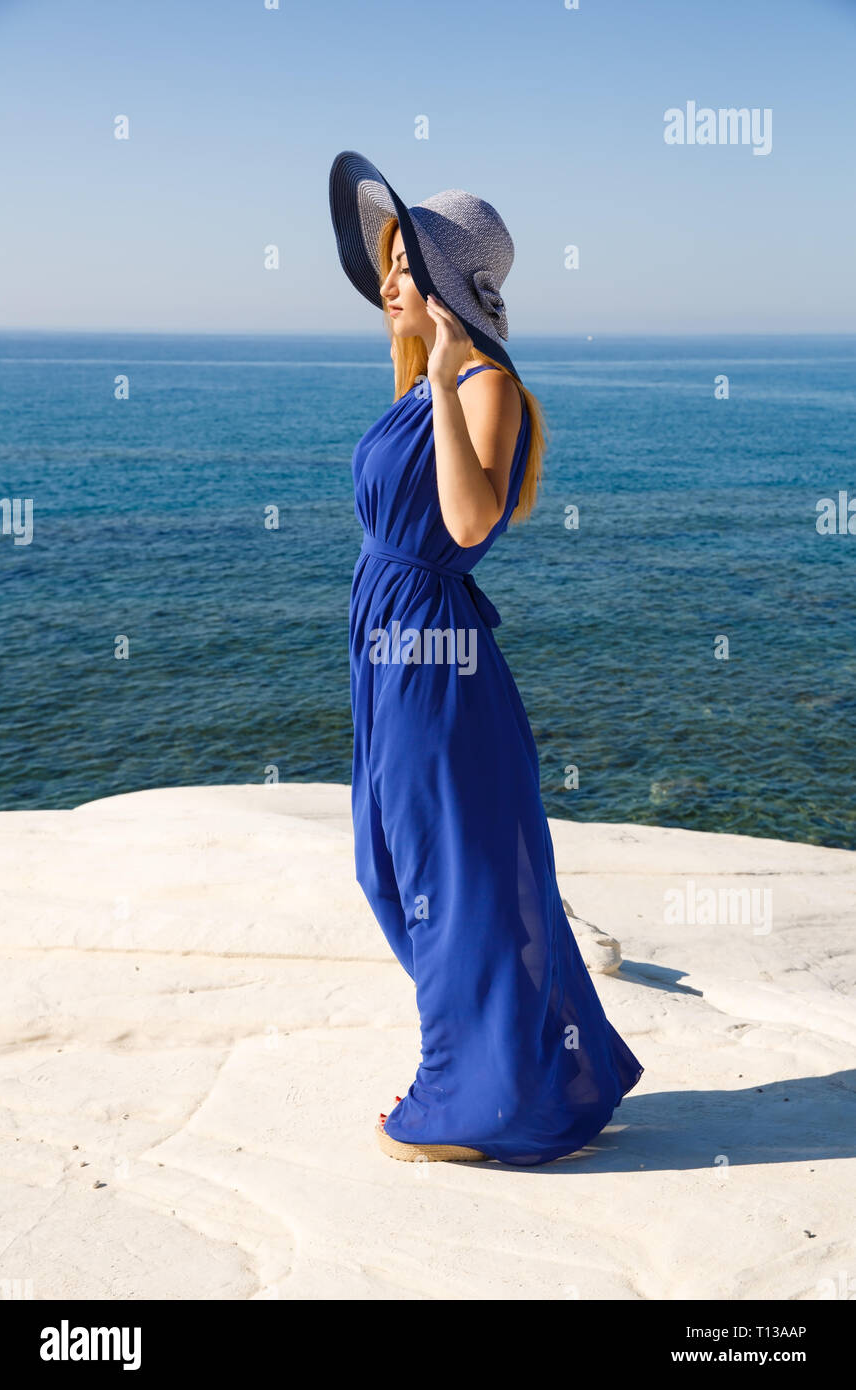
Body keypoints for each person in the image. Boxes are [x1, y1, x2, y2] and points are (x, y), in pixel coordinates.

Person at [329, 151, 643, 1166]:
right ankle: (544, 1069)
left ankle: (463, 1094)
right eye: (383, 261)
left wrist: (437, 371)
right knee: (395, 861)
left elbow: (468, 519)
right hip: (394, 648)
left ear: (446, 280)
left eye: (401, 263)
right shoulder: (436, 382)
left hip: (431, 652)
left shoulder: (481, 384)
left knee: (445, 873)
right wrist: (422, 375)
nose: (385, 281)